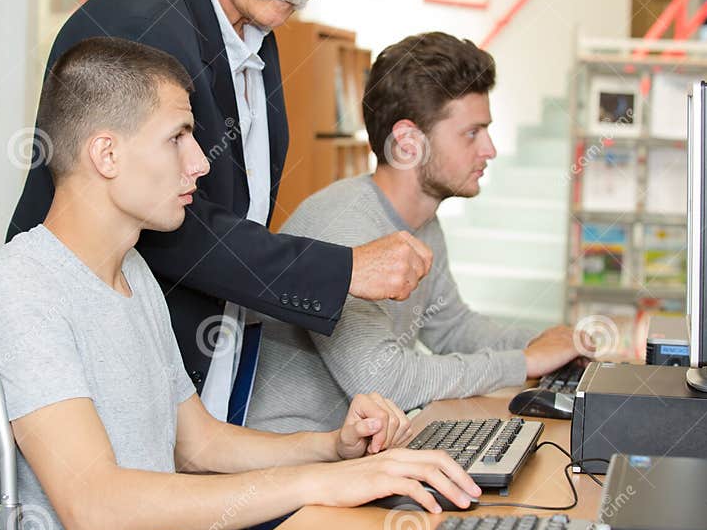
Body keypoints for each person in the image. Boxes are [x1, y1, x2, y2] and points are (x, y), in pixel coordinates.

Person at [0, 38, 480, 530]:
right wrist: (320, 483)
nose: (200, 163)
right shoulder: (20, 287)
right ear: (107, 154)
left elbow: (199, 445)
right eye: (177, 138)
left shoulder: (133, 273)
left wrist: (334, 450)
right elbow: (97, 510)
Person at [6, 0, 433, 421]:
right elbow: (167, 221)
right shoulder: (141, 21)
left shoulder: (251, 12)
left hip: (205, 363)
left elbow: (237, 203)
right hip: (106, 364)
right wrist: (341, 270)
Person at [246, 33, 583, 434]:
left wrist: (551, 344)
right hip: (296, 465)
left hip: (356, 452)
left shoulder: (422, 220)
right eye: (472, 133)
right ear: (408, 143)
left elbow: (453, 328)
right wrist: (525, 362)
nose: (490, 149)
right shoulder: (343, 226)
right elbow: (386, 378)